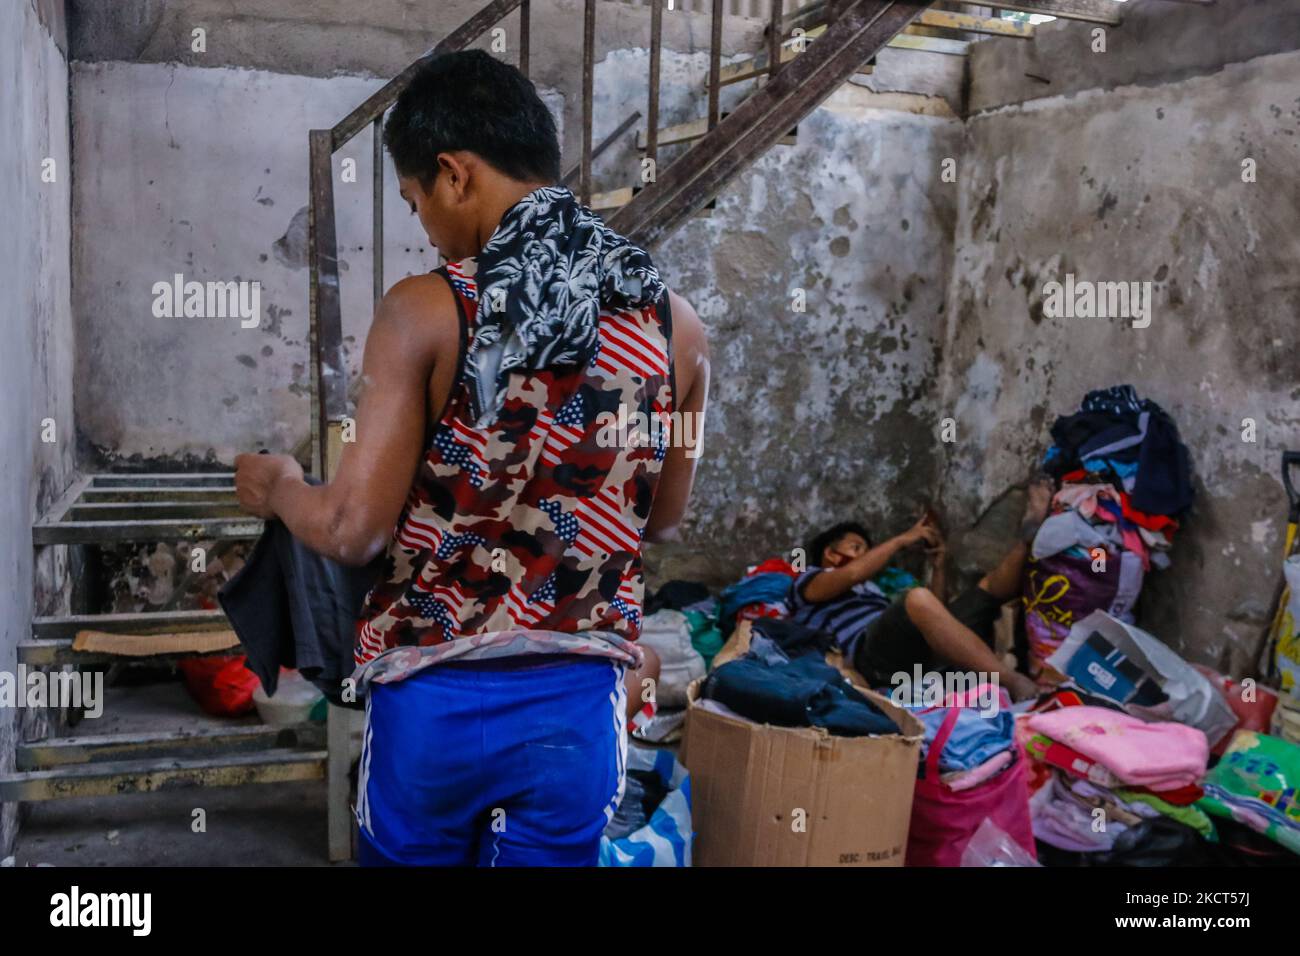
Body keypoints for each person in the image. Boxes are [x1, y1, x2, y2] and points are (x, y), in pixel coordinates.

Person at [232, 50, 709, 866]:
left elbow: (350, 529)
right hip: (578, 711)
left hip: (434, 704)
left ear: (454, 175)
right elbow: (663, 519)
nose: (424, 227)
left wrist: (278, 485)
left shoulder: (424, 311)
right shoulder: (680, 329)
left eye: (416, 201)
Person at [789, 479, 1054, 702]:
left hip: (917, 657)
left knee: (986, 589)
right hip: (870, 659)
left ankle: (1029, 537)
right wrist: (902, 539)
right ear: (831, 554)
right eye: (856, 547)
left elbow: (934, 617)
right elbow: (852, 574)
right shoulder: (808, 581)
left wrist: (939, 566)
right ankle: (1013, 681)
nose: (865, 556)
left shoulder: (873, 590)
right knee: (915, 598)